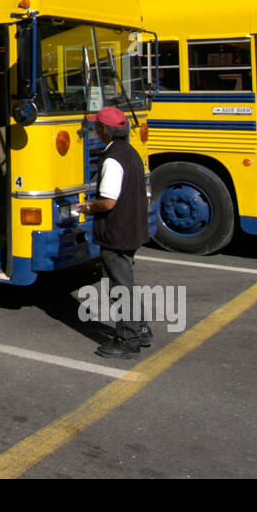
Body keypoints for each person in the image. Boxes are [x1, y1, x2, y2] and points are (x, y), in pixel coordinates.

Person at [73, 106, 151, 358]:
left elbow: (108, 202)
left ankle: (128, 339)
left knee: (119, 286)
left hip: (117, 231)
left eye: (97, 127)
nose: (96, 130)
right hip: (133, 228)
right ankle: (140, 329)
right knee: (126, 281)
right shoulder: (131, 152)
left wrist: (87, 207)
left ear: (103, 130)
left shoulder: (112, 158)